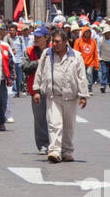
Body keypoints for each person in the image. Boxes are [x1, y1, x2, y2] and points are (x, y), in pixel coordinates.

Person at [32, 25, 89, 163]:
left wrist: (83, 96)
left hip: (71, 96)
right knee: (54, 124)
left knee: (69, 126)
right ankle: (55, 151)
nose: (55, 44)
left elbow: (82, 77)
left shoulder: (76, 56)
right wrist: (37, 91)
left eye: (58, 41)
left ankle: (67, 151)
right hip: (53, 95)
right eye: (53, 41)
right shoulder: (47, 54)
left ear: (65, 42)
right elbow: (39, 73)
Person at [21, 26, 52, 154]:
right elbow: (25, 67)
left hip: (52, 89)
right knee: (39, 119)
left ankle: (55, 143)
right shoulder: (29, 51)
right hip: (36, 89)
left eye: (39, 37)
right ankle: (43, 145)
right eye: (35, 36)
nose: (36, 39)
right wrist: (38, 62)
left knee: (54, 118)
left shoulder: (54, 50)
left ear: (46, 38)